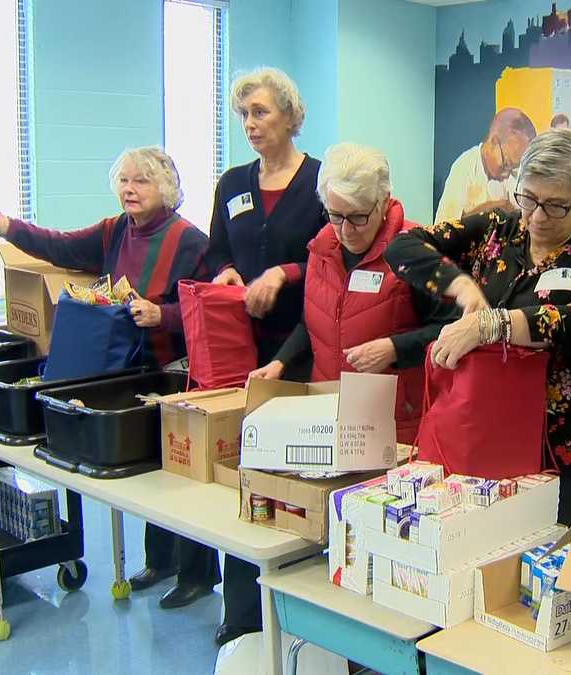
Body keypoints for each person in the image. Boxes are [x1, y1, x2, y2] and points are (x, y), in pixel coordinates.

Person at [0, 147, 217, 608]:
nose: (130, 190)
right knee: (146, 467)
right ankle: (161, 560)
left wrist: (162, 314)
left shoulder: (189, 240)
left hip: (175, 368)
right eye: (125, 181)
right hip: (125, 366)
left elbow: (205, 306)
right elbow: (61, 244)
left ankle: (196, 572)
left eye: (142, 182)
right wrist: (5, 225)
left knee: (178, 469)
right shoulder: (115, 230)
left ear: (167, 189)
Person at [386, 129, 571, 526]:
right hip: (491, 448)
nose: (537, 217)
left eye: (555, 206)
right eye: (529, 198)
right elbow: (402, 247)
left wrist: (495, 325)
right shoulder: (497, 229)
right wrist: (463, 287)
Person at [207, 67, 327, 647]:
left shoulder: (321, 184)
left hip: (304, 347)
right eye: (244, 115)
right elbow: (215, 256)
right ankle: (240, 615)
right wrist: (227, 273)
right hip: (243, 348)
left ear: (289, 115)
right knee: (246, 479)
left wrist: (286, 271)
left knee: (297, 480)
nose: (251, 125)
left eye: (261, 112)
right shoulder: (231, 184)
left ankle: (301, 616)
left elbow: (335, 263)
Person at [249, 143, 459, 443]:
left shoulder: (417, 251)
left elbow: (453, 329)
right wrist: (280, 362)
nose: (346, 230)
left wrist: (394, 348)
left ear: (384, 202)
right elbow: (315, 322)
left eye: (359, 216)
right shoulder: (321, 250)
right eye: (335, 215)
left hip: (396, 426)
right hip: (327, 416)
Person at [435, 108, 537, 224]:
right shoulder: (465, 167)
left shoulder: (512, 176)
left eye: (513, 168)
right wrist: (488, 211)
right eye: (506, 164)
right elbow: (443, 227)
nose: (507, 174)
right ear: (494, 142)